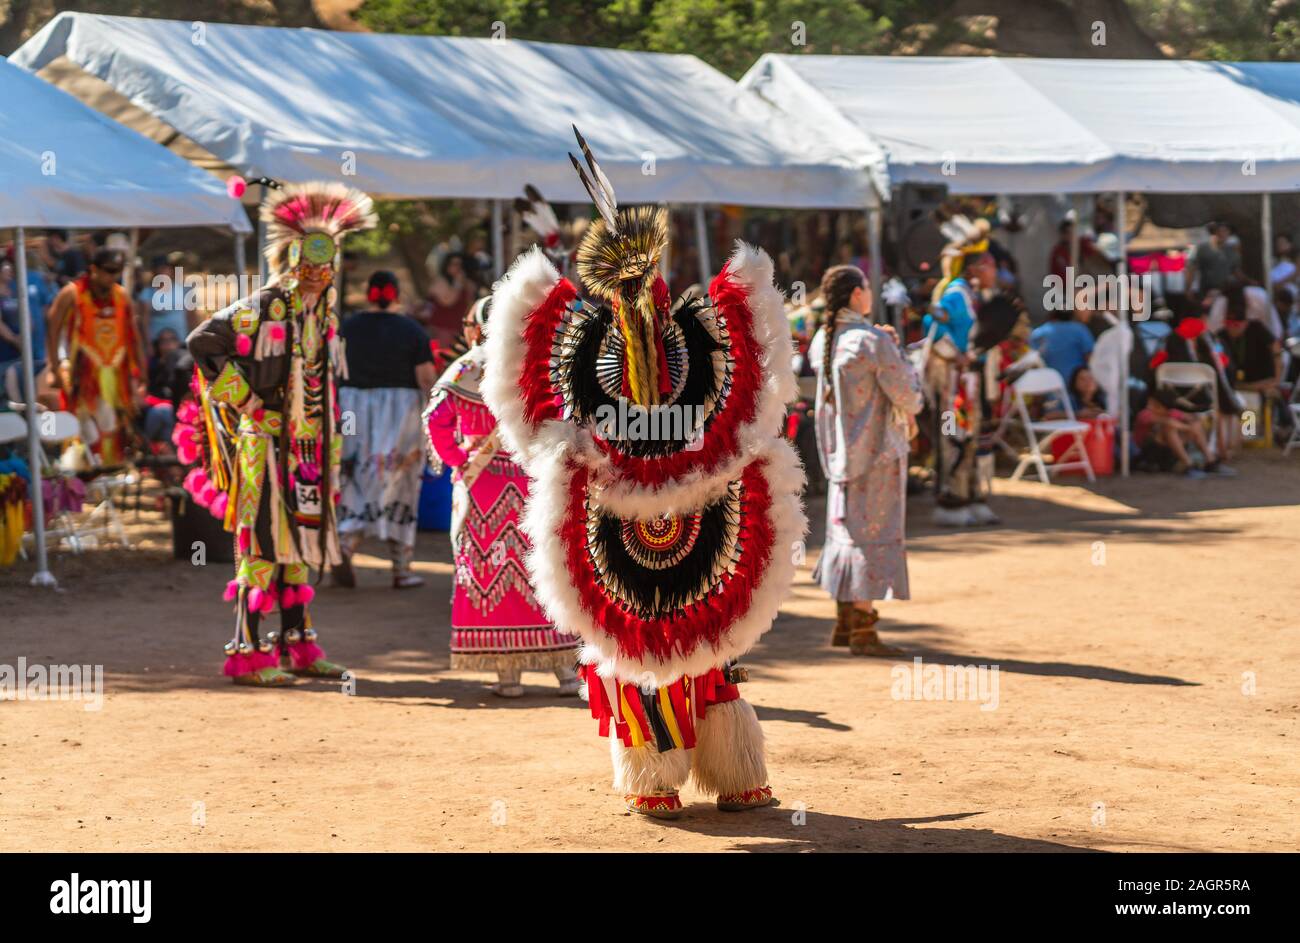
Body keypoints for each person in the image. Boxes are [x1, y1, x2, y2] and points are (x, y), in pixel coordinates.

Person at [481, 129, 806, 818]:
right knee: (662, 634)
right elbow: (547, 412)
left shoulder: (671, 334)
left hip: (688, 502)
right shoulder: (608, 340)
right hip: (635, 506)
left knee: (692, 632)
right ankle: (685, 775)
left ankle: (706, 774)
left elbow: (742, 398)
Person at [184, 182, 377, 686]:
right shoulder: (264, 306)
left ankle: (299, 648)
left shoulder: (324, 315)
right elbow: (202, 340)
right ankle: (247, 654)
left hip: (310, 448)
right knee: (264, 546)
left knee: (298, 549)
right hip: (264, 446)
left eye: (324, 269)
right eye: (306, 270)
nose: (315, 278)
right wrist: (249, 402)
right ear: (290, 265)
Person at [424, 296, 581, 697]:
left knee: (490, 570)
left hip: (483, 487)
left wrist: (458, 458)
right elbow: (567, 420)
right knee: (544, 568)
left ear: (475, 328)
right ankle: (564, 670)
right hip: (532, 482)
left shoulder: (465, 367)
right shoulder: (537, 367)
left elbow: (436, 419)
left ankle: (508, 677)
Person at [809, 265, 922, 655]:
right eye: (868, 288)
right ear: (857, 295)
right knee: (870, 533)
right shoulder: (871, 341)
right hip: (877, 454)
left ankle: (845, 620)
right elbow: (909, 396)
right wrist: (900, 353)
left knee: (847, 530)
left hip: (839, 454)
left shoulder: (824, 338)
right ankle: (862, 626)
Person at [334, 271, 437, 590]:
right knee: (400, 479)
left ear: (368, 294)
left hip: (352, 407)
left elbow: (332, 369)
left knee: (353, 474)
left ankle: (346, 542)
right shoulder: (412, 330)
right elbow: (426, 378)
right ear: (396, 296)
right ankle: (402, 566)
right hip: (400, 410)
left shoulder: (347, 327)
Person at [922, 217, 1002, 527]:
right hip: (954, 382)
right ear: (974, 269)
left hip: (972, 380)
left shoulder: (973, 296)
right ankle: (951, 501)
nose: (995, 271)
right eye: (990, 265)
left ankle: (972, 497)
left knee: (972, 436)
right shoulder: (955, 294)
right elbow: (932, 326)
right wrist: (956, 358)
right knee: (953, 436)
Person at [44, 248, 143, 464]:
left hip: (116, 375)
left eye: (117, 271)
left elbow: (133, 336)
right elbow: (53, 328)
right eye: (108, 271)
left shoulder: (121, 295)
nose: (113, 276)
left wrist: (140, 375)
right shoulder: (72, 293)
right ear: (94, 269)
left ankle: (108, 470)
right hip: (84, 374)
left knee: (113, 425)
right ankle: (84, 472)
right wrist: (54, 366)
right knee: (87, 426)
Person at [423, 251, 477, 354]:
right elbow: (448, 301)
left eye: (460, 265)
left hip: (458, 329)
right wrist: (458, 284)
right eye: (454, 264)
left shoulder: (465, 283)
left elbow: (470, 303)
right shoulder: (440, 282)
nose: (457, 268)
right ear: (446, 266)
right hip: (441, 330)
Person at [1029, 303, 1095, 383]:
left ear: (1052, 314)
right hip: (1076, 385)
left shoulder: (1038, 333)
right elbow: (1090, 357)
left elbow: (1032, 360)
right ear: (1072, 314)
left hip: (1047, 385)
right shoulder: (1079, 329)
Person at [137, 254, 192, 343]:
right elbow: (144, 321)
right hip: (157, 342)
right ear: (154, 271)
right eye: (160, 269)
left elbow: (191, 316)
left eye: (166, 268)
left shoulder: (182, 290)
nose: (163, 272)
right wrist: (147, 344)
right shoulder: (147, 293)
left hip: (181, 340)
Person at [1188, 223, 1239, 296]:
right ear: (1214, 232)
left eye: (1225, 231)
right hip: (1206, 290)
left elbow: (1236, 270)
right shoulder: (1202, 248)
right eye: (1219, 231)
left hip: (1226, 291)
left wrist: (1249, 281)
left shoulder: (1231, 250)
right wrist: (1189, 288)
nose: (1222, 234)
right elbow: (1192, 269)